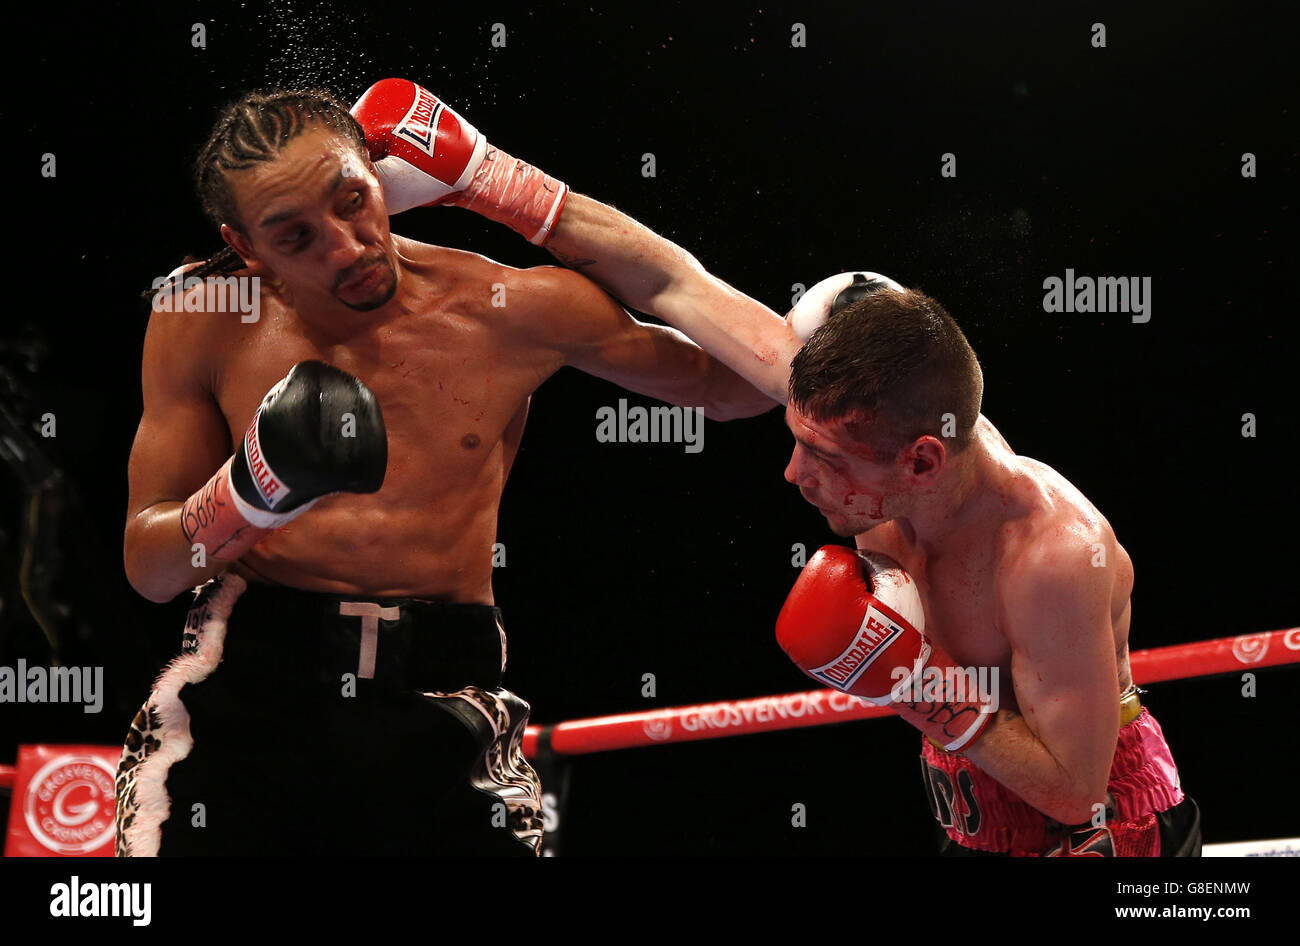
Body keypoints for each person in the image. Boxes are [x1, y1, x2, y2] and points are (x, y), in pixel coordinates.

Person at [356, 78, 1203, 856]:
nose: (794, 476)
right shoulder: (852, 410)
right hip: (971, 825)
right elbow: (671, 282)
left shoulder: (1052, 556)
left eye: (824, 459)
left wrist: (913, 682)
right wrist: (487, 176)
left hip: (1107, 841)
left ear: (922, 460)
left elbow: (1070, 788)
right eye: (797, 439)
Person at [114, 86, 777, 857]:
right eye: (295, 237)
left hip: (444, 688)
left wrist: (508, 188)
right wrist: (251, 490)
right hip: (248, 684)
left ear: (375, 170)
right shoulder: (204, 313)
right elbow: (149, 568)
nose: (346, 245)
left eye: (351, 201)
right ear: (246, 245)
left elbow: (740, 387)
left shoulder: (509, 307)